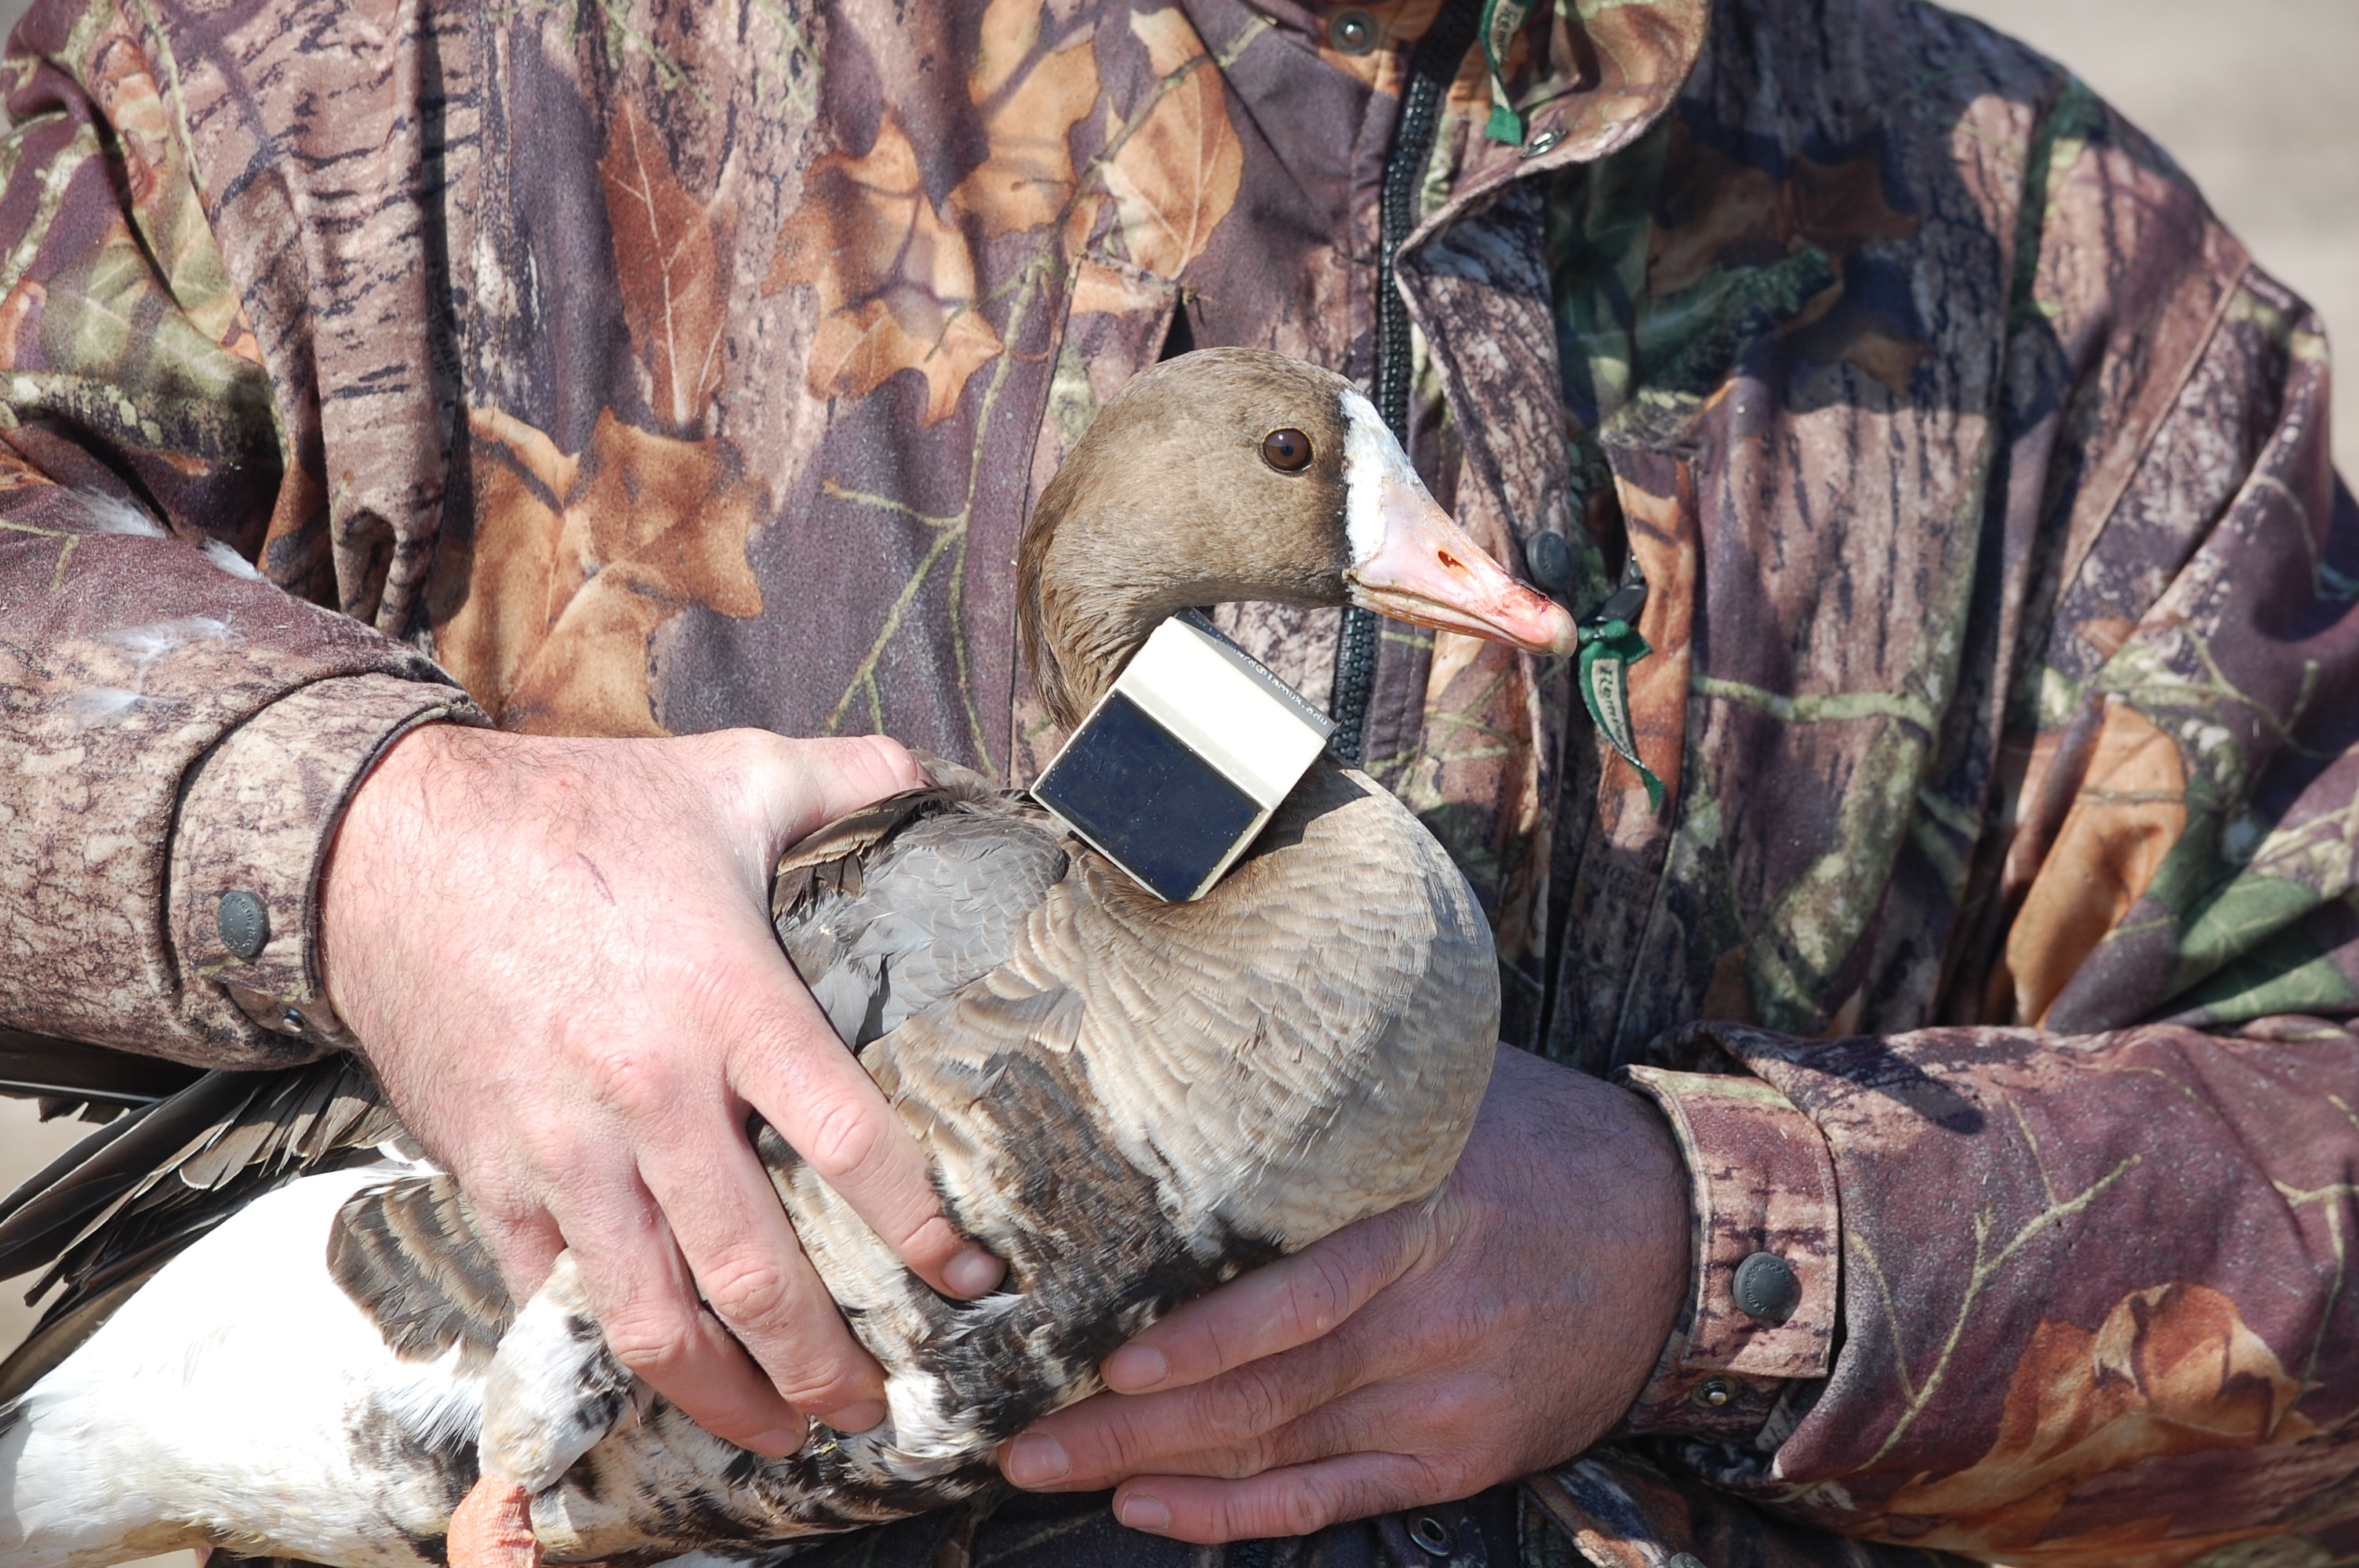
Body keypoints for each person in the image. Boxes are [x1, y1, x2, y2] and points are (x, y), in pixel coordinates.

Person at [1, 0, 2355, 1562]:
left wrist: (1709, 1247)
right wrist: (373, 841)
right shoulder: (389, 61)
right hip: (336, 1367)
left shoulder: (2063, 292)